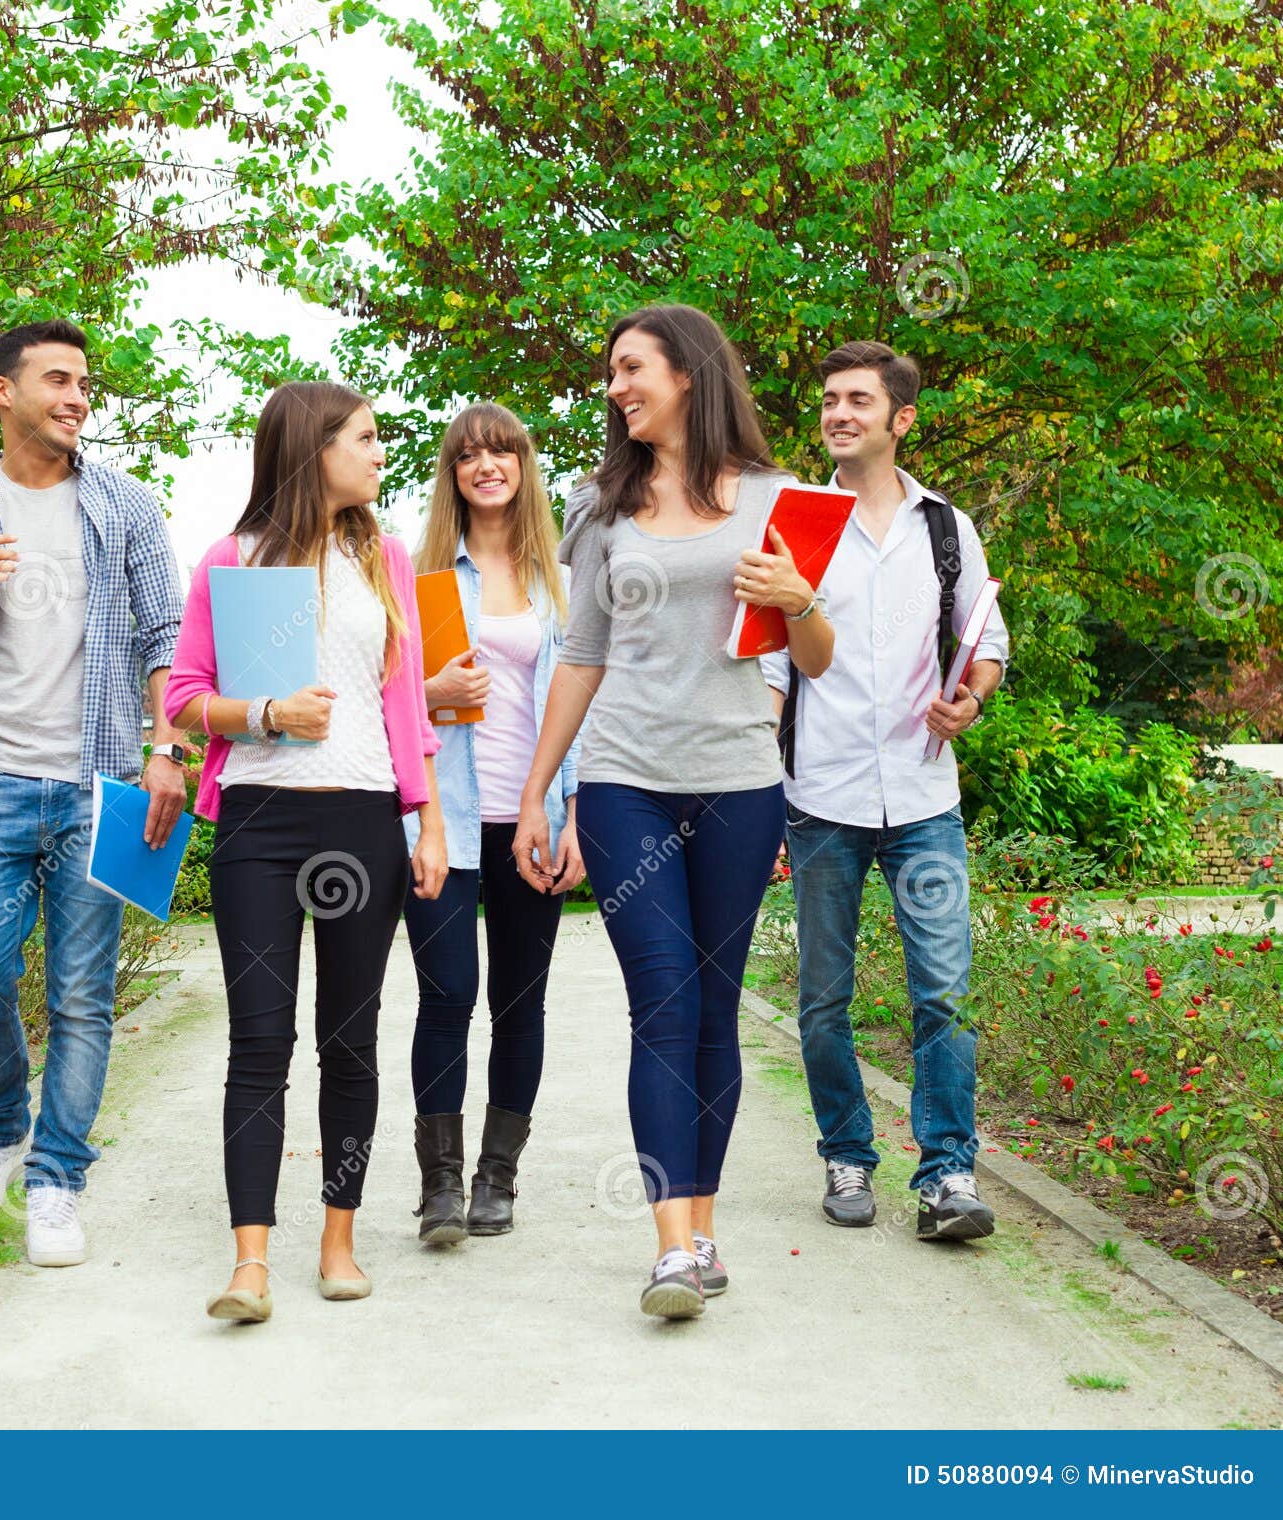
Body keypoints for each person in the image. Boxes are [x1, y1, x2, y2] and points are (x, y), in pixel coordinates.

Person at [514, 305, 833, 1319]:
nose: (614, 387)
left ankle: (702, 1227)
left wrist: (798, 595)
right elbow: (581, 654)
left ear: (689, 373)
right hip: (623, 777)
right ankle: (668, 1246)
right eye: (611, 372)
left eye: (630, 368)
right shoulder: (598, 506)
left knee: (713, 1002)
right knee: (663, 995)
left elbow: (816, 659)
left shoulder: (780, 501)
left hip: (738, 778)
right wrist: (540, 789)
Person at [0, 319, 187, 1268]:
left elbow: (164, 640)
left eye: (84, 384)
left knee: (81, 995)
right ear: (2, 393)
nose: (76, 398)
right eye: (57, 380)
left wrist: (165, 749)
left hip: (98, 784)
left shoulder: (126, 507)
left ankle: (57, 1179)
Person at [164, 381, 447, 1324]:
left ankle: (339, 1239)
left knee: (349, 1040)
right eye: (364, 439)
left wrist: (429, 820)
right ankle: (250, 1264)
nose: (379, 455)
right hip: (258, 823)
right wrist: (265, 715)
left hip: (363, 819)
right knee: (259, 1040)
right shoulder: (231, 559)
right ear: (312, 447)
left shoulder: (388, 560)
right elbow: (184, 699)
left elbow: (408, 708)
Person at [759, 339, 1009, 1241]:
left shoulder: (947, 528)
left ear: (901, 419)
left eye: (859, 401)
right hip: (819, 794)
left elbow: (987, 640)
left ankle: (947, 1176)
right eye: (830, 400)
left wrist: (968, 700)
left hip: (923, 796)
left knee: (943, 990)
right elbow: (769, 666)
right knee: (824, 997)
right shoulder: (794, 526)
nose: (838, 414)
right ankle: (847, 1156)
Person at [404, 403, 585, 1244]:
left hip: (532, 811)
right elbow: (387, 702)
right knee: (446, 992)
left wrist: (571, 811)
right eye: (469, 453)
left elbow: (582, 702)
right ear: (453, 472)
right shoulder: (421, 575)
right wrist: (430, 696)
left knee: (521, 1000)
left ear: (522, 464)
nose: (486, 464)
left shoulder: (561, 579)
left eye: (501, 450)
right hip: (443, 814)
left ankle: (496, 1180)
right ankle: (438, 1185)